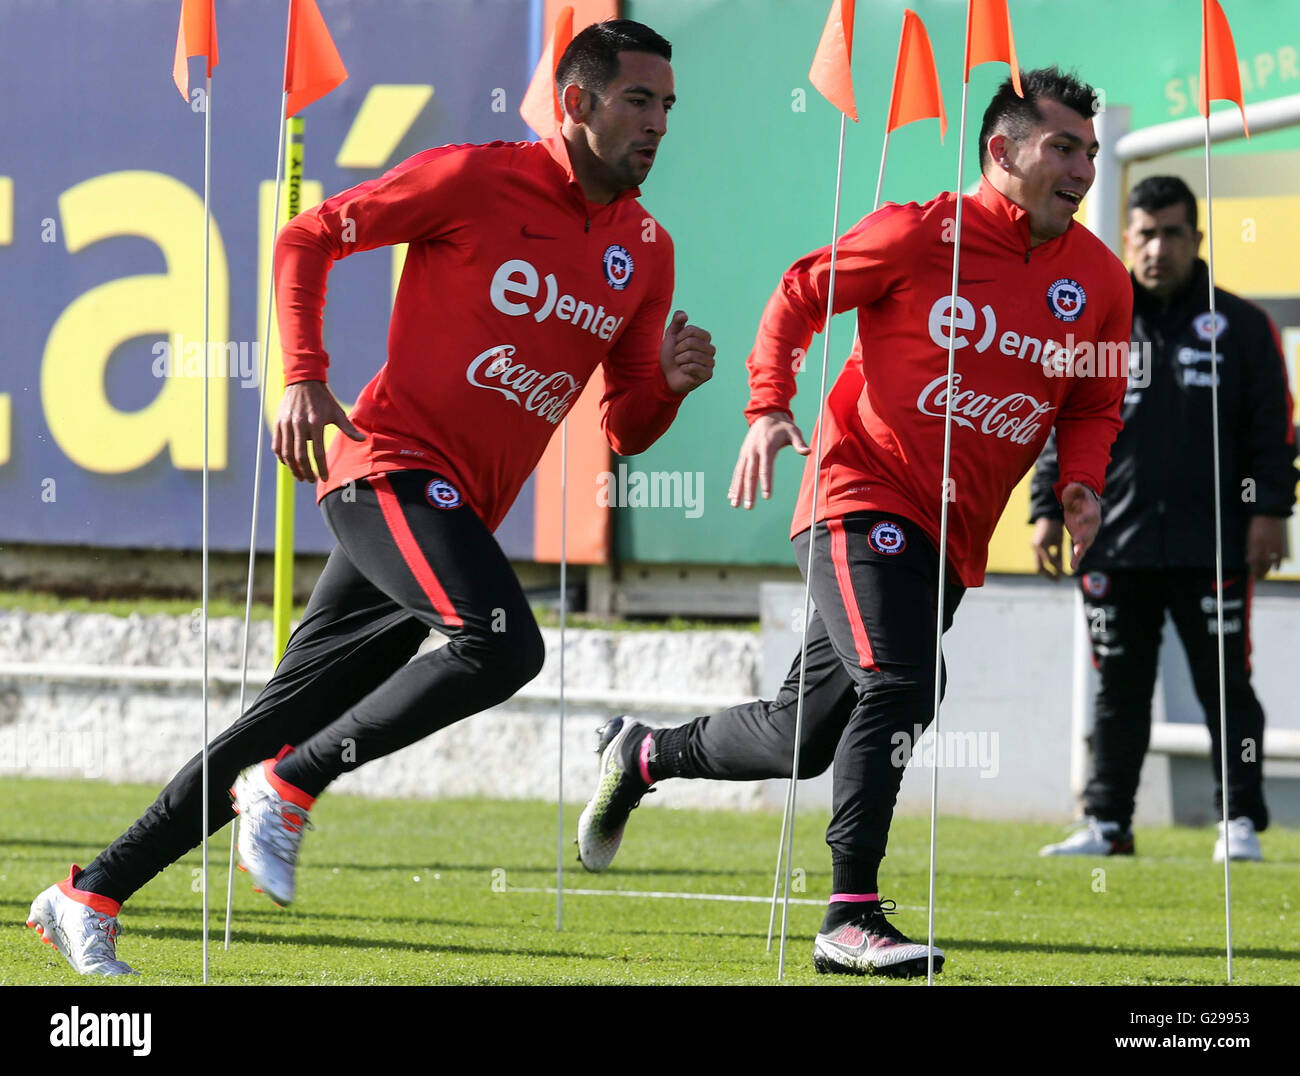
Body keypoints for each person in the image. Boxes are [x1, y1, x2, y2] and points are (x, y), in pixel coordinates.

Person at [25, 19, 715, 977]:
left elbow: (627, 427)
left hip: (451, 516)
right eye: (640, 101)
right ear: (576, 103)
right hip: (387, 469)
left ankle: (88, 891)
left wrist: (670, 387)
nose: (659, 125)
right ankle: (294, 786)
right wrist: (302, 372)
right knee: (504, 644)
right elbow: (307, 237)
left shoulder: (646, 249)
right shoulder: (478, 179)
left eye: (668, 106)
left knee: (273, 724)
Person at [576, 67, 1133, 979]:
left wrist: (1080, 484)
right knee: (907, 682)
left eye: (1089, 150)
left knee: (804, 735)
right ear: (1002, 151)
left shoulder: (1101, 282)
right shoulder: (923, 233)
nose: (1082, 166)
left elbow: (1095, 403)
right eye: (1062, 147)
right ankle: (851, 915)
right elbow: (800, 292)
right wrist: (767, 405)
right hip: (859, 495)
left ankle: (642, 754)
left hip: (951, 538)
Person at [1034, 175, 1296, 862]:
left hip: (1213, 544)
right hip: (1112, 544)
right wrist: (1044, 510)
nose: (1157, 248)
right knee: (1118, 689)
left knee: (1225, 685)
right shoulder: (1095, 321)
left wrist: (1271, 512)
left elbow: (1275, 428)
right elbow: (1058, 420)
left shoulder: (1241, 324)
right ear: (1127, 238)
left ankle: (1237, 821)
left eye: (1172, 233)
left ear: (1196, 240)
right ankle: (1108, 824)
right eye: (1145, 234)